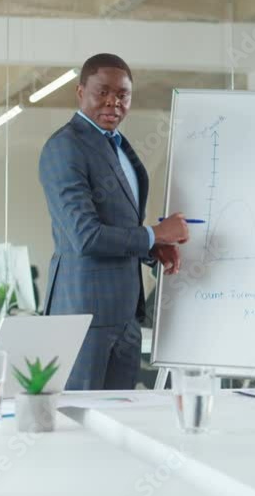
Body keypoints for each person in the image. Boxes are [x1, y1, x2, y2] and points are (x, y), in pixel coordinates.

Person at [38, 53, 189, 390]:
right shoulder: (65, 147)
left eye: (122, 95)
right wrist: (154, 234)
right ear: (80, 92)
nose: (113, 102)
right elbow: (85, 236)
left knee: (120, 414)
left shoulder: (119, 147)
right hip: (83, 316)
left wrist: (152, 248)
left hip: (125, 317)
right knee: (77, 416)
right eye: (102, 92)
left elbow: (119, 222)